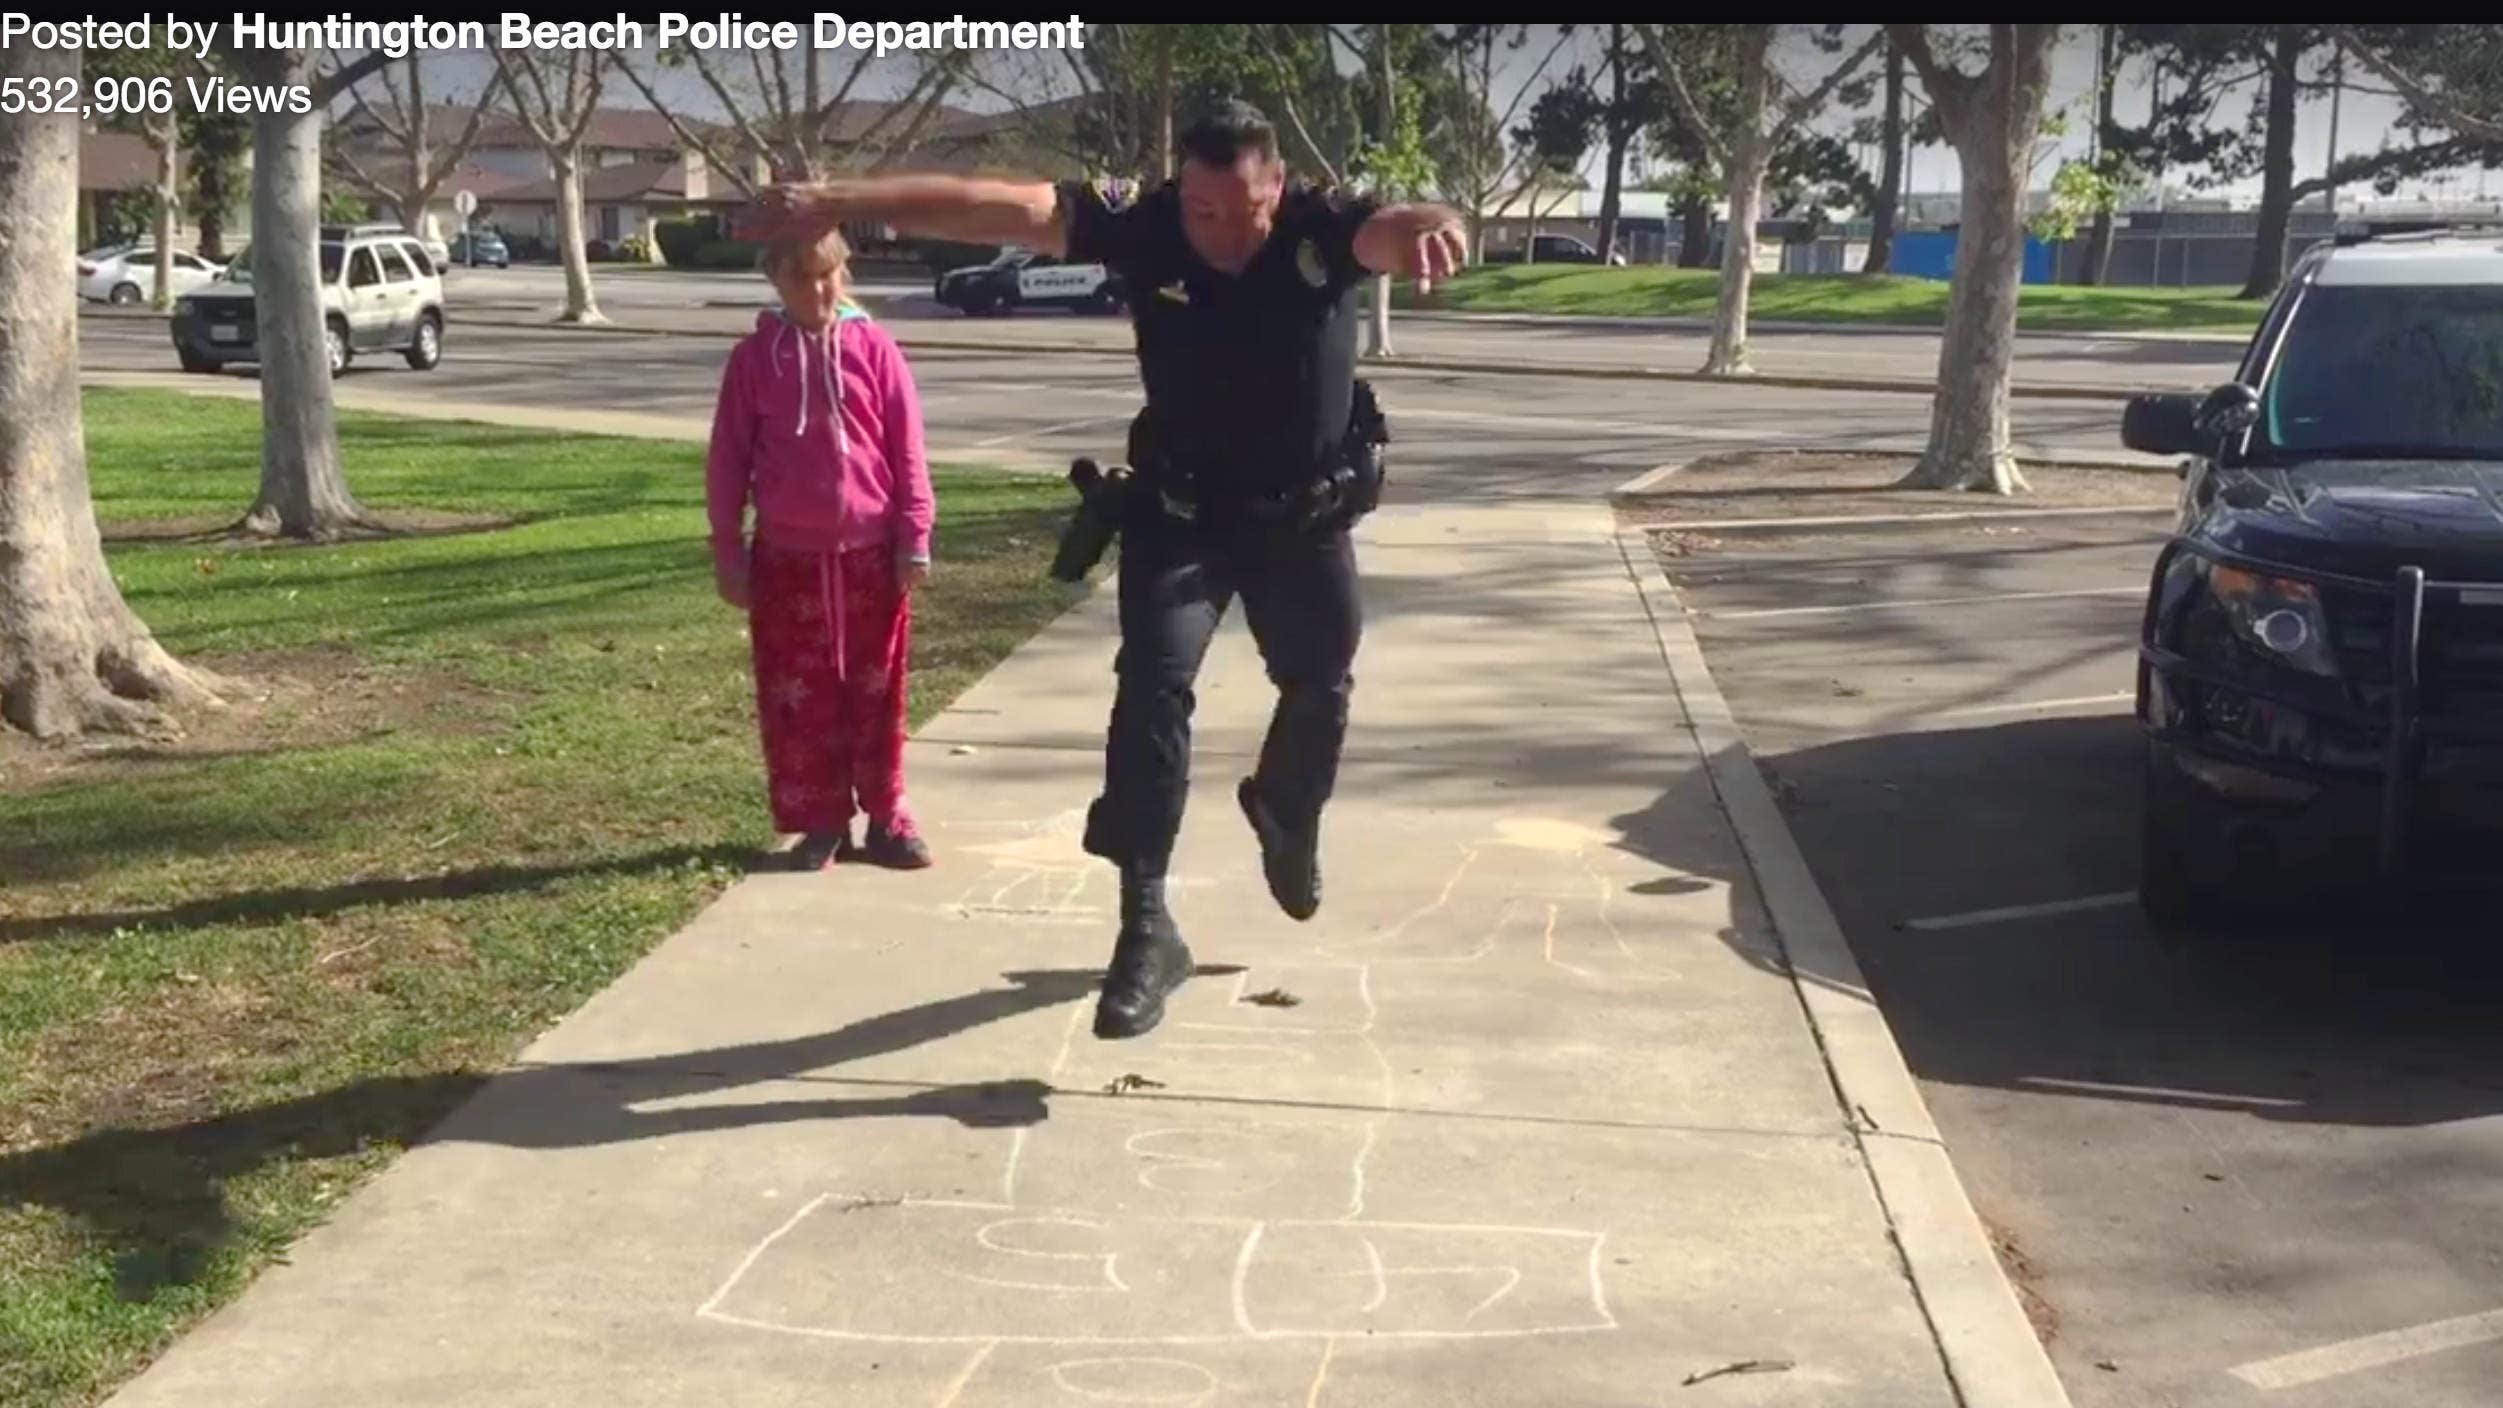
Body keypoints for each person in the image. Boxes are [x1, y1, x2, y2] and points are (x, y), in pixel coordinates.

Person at [740, 100, 1464, 1037]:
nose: (1223, 231)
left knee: (1318, 683)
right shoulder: (1145, 222)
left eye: (1243, 209)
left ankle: (1285, 811)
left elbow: (1401, 225)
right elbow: (993, 206)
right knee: (1152, 690)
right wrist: (836, 197)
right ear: (1180, 192)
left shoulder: (1320, 225)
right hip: (1182, 516)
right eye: (1203, 211)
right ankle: (1145, 929)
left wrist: (1440, 224)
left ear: (1275, 186)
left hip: (1301, 521)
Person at [706, 223, 936, 872]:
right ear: (775, 280)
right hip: (787, 557)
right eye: (802, 276)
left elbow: (907, 448)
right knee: (798, 694)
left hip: (871, 552)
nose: (819, 289)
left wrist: (913, 534)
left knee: (876, 689)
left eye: (829, 273)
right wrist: (728, 549)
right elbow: (728, 461)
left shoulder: (876, 349)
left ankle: (888, 818)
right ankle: (821, 820)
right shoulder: (754, 360)